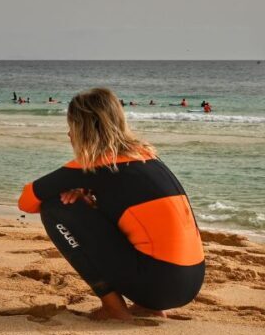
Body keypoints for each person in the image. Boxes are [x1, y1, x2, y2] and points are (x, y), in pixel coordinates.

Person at [17, 87, 204, 321]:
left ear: (83, 128)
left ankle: (114, 308)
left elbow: (27, 201)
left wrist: (77, 189)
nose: (68, 134)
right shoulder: (147, 156)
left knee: (53, 207)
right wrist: (86, 193)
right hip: (191, 283)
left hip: (158, 284)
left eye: (71, 126)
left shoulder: (93, 166)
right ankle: (148, 306)